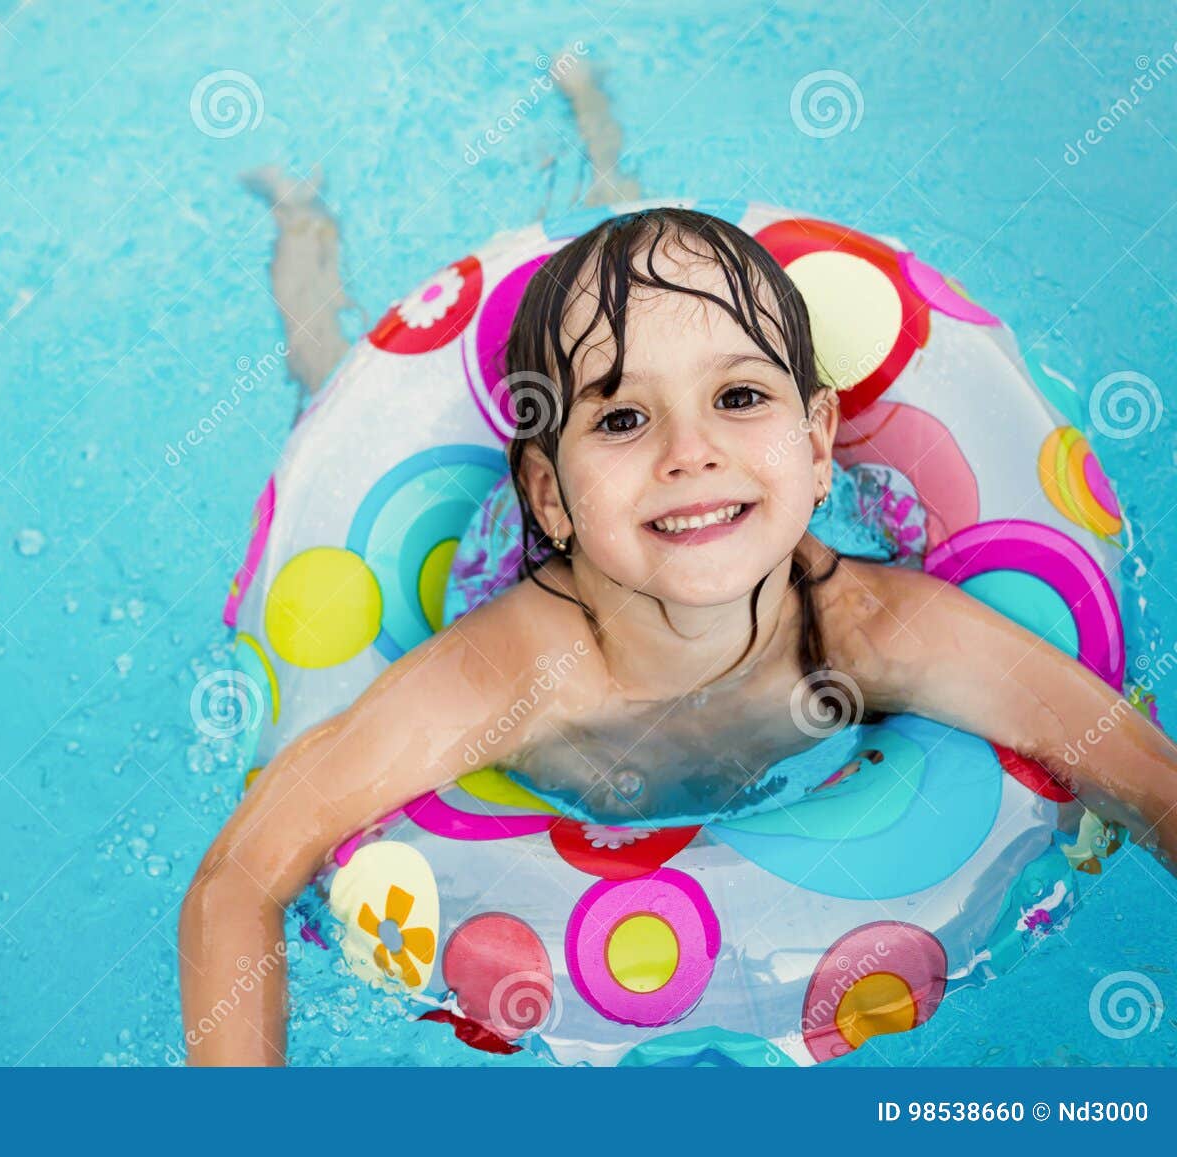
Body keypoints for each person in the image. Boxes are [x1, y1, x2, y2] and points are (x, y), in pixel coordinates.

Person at [179, 208, 1177, 1065]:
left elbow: (1143, 775)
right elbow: (240, 878)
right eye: (621, 418)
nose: (689, 452)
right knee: (322, 369)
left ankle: (599, 156)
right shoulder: (511, 670)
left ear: (818, 446)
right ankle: (302, 237)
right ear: (547, 495)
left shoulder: (873, 630)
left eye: (739, 398)